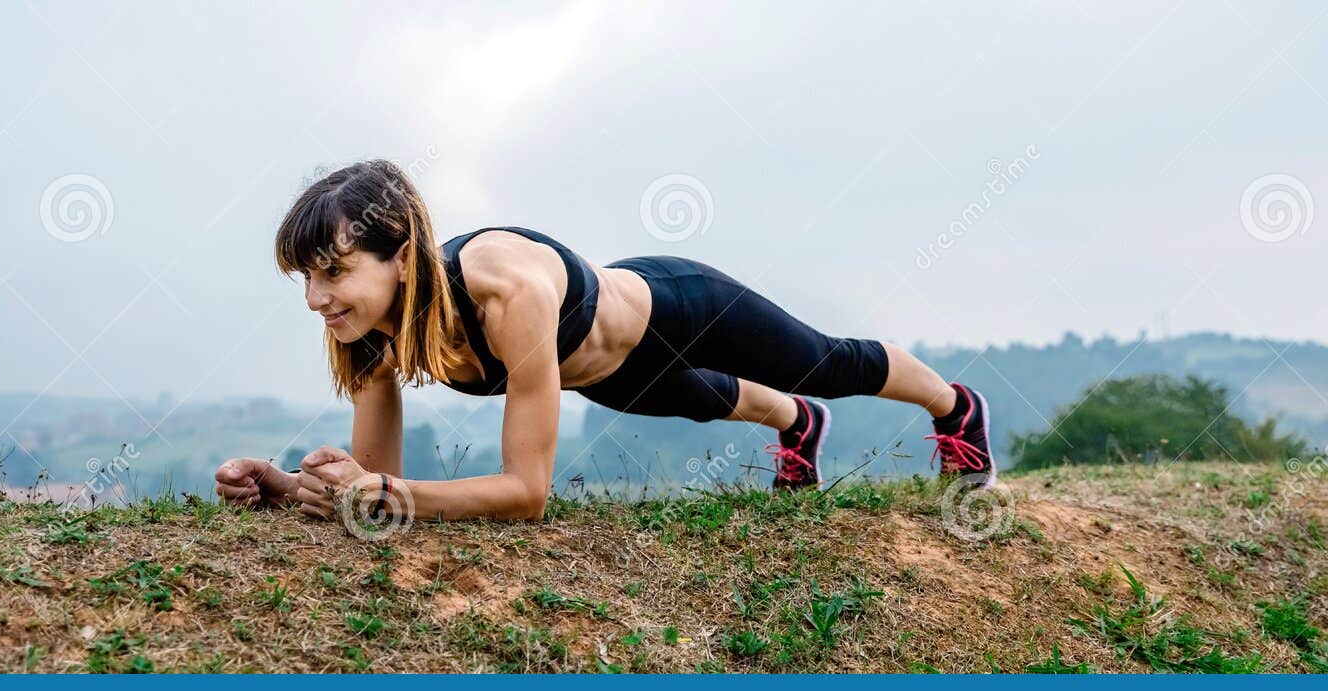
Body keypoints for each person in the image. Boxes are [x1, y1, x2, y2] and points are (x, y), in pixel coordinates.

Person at [214, 160, 995, 522]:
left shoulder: (501, 288)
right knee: (706, 405)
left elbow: (526, 496)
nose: (316, 299)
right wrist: (289, 485)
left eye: (333, 273)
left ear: (403, 257)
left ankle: (955, 407)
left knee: (825, 363)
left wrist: (390, 496)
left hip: (679, 308)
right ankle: (798, 427)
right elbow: (373, 487)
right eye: (304, 280)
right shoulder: (367, 333)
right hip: (605, 374)